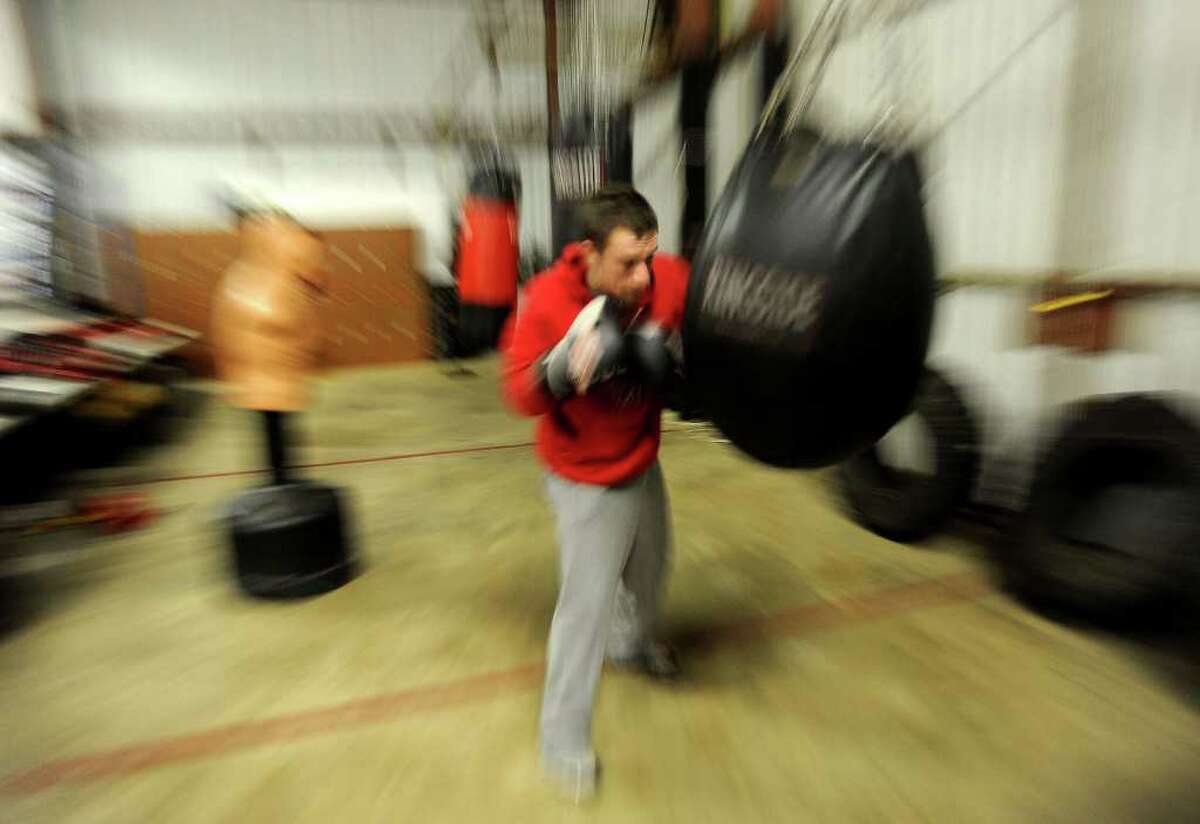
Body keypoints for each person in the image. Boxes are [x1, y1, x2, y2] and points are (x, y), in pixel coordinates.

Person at [500, 185, 690, 802]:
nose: (643, 276)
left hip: (641, 457)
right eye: (627, 263)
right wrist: (559, 370)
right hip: (582, 475)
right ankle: (561, 739)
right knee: (585, 610)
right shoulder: (546, 299)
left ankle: (632, 647)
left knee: (652, 564)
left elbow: (715, 301)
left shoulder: (667, 281)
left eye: (649, 259)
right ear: (587, 253)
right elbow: (516, 394)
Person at [211, 209, 327, 486]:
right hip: (267, 370)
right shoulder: (271, 279)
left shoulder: (246, 274)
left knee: (276, 425)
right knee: (275, 426)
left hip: (264, 370)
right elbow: (279, 316)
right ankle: (281, 480)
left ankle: (281, 477)